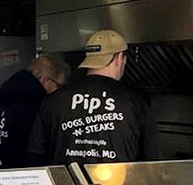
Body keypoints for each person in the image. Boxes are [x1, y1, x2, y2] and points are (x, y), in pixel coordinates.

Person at [26, 29, 146, 166]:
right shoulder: (137, 101)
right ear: (119, 58)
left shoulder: (53, 100)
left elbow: (34, 157)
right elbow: (154, 163)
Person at [0, 55, 70, 169]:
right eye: (59, 86)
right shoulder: (37, 106)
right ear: (45, 81)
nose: (60, 92)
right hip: (18, 179)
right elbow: (36, 153)